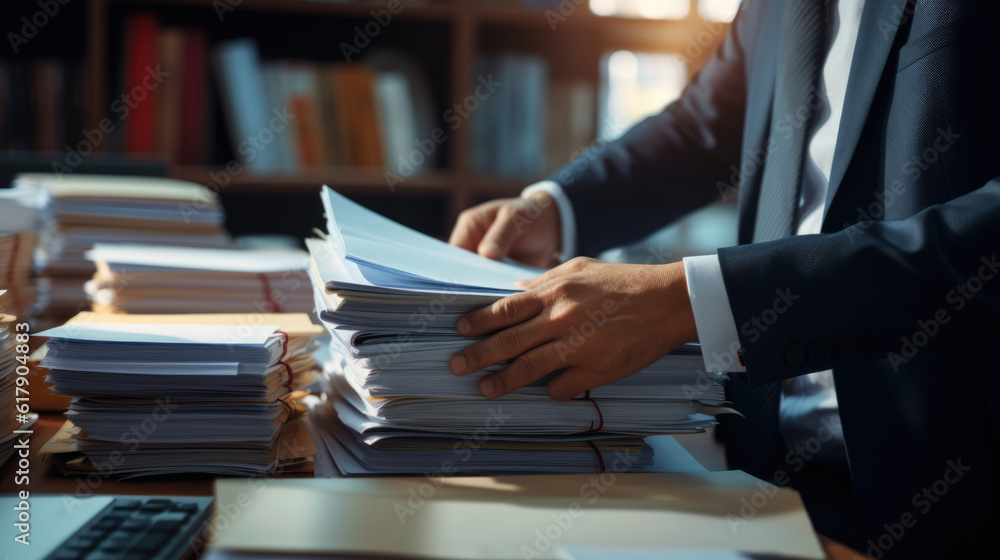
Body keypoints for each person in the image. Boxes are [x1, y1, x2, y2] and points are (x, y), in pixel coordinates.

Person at [446, 1, 1000, 558]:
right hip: (764, 470)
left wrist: (693, 301)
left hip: (951, 485)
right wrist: (557, 206)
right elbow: (709, 123)